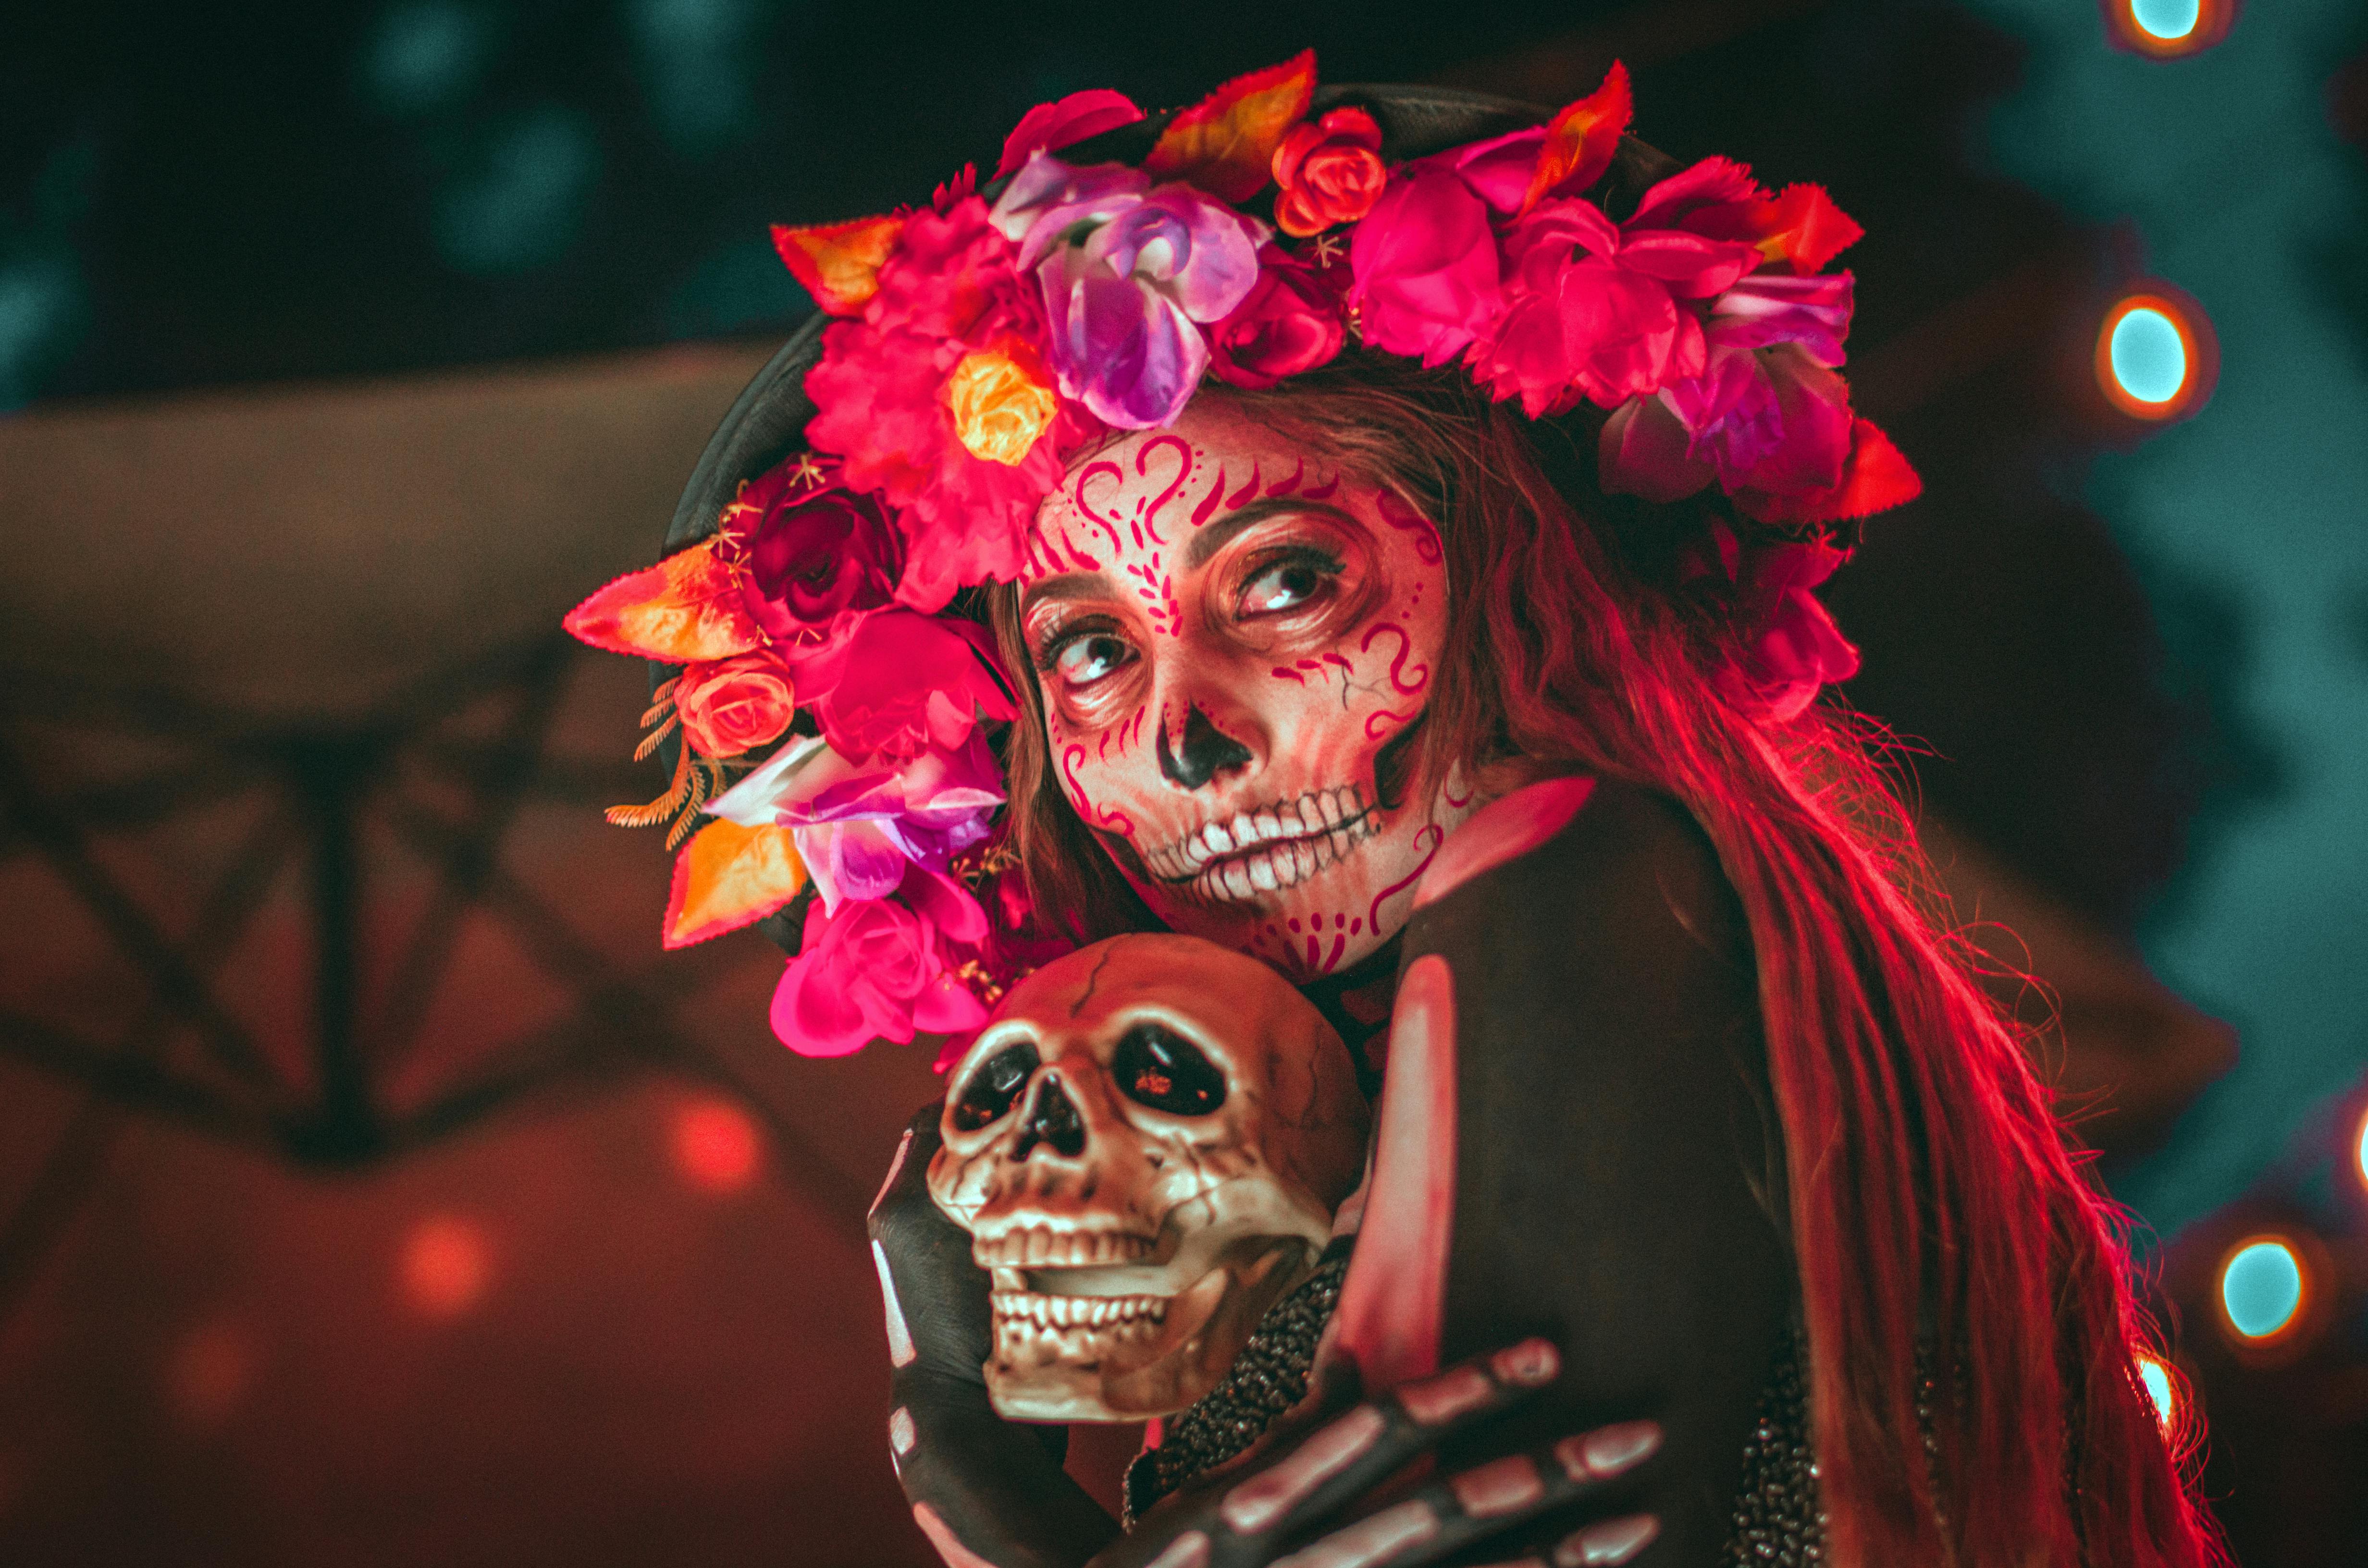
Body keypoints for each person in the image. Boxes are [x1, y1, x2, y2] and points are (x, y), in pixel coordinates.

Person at [565, 58, 2227, 1568]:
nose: (1187, 739)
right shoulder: (1423, 1091)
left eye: (1284, 583)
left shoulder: (1572, 870)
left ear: (1518, 589)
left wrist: (980, 1484)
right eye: (1089, 651)